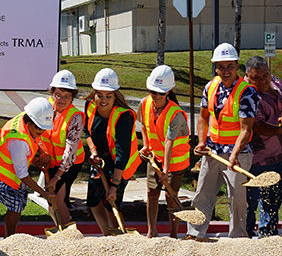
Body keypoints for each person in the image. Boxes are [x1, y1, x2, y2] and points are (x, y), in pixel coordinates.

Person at [188, 43, 259, 239]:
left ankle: (237, 238)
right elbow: (203, 117)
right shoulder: (210, 87)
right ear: (216, 67)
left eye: (230, 66)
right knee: (202, 193)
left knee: (237, 198)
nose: (225, 71)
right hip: (212, 151)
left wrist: (234, 155)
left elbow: (246, 129)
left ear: (237, 66)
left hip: (238, 153)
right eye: (221, 67)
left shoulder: (247, 92)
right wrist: (202, 142)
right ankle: (195, 233)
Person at [0, 97, 56, 237]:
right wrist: (44, 194)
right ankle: (10, 237)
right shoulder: (18, 140)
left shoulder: (27, 118)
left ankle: (10, 235)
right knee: (15, 205)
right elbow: (22, 174)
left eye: (44, 128)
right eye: (38, 128)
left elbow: (29, 146)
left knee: (20, 200)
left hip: (8, 164)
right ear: (29, 122)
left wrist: (36, 158)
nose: (41, 131)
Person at [244, 56, 282, 237]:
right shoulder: (247, 95)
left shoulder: (276, 84)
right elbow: (258, 126)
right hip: (257, 159)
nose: (262, 81)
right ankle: (246, 236)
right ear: (247, 76)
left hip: (279, 154)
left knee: (274, 197)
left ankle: (267, 234)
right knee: (250, 201)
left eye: (265, 75)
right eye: (256, 78)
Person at [84, 68, 142, 235]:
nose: (103, 100)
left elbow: (123, 153)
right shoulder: (90, 107)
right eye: (99, 95)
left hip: (120, 165)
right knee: (94, 201)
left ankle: (119, 237)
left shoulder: (124, 117)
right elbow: (87, 133)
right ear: (94, 93)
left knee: (112, 204)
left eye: (108, 96)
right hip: (99, 160)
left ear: (115, 96)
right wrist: (93, 151)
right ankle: (107, 235)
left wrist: (115, 185)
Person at [138, 65, 190, 238]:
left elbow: (169, 141)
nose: (156, 96)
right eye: (153, 91)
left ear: (168, 92)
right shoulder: (144, 104)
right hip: (155, 157)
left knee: (170, 195)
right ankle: (151, 232)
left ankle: (173, 235)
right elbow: (144, 126)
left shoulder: (175, 114)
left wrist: (166, 171)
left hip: (175, 160)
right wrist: (146, 146)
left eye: (161, 92)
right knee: (151, 193)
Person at [37, 69, 85, 227]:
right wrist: (42, 153)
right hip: (51, 160)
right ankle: (58, 227)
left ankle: (67, 233)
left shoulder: (75, 117)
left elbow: (70, 151)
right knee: (50, 196)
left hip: (70, 163)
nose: (62, 100)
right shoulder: (45, 106)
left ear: (72, 97)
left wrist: (57, 176)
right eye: (58, 95)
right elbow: (35, 133)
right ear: (52, 93)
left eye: (67, 96)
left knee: (59, 196)